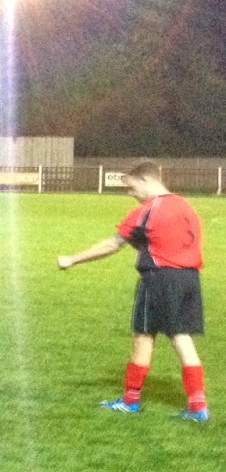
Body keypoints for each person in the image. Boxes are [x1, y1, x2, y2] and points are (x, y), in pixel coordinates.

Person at [58, 160, 210, 421]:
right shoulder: (185, 206)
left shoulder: (148, 210)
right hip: (189, 279)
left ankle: (130, 401)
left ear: (145, 180)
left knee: (143, 336)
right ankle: (198, 407)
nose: (131, 193)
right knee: (181, 337)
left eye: (131, 187)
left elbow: (112, 244)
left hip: (159, 279)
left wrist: (72, 259)